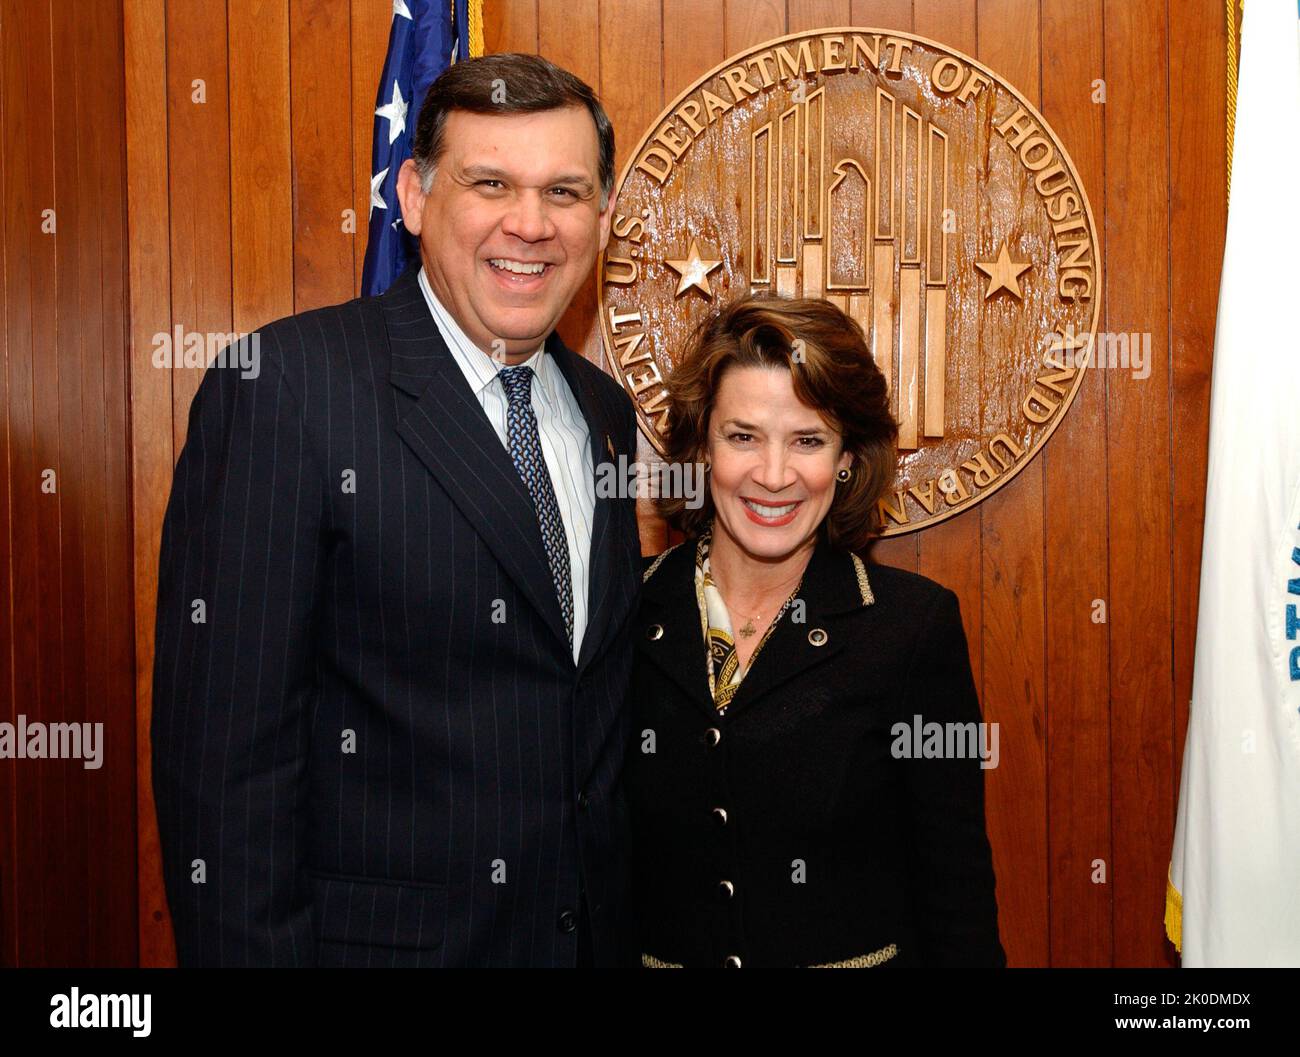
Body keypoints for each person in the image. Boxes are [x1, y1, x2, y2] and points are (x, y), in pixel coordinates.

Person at [151, 53, 642, 967]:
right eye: (489, 182)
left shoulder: (603, 417)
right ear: (413, 196)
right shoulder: (288, 391)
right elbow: (225, 772)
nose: (528, 224)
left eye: (565, 192)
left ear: (604, 218)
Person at [625, 294, 1006, 967]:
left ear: (848, 459)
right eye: (743, 436)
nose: (774, 476)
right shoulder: (621, 613)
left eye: (808, 439)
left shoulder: (913, 628)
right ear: (699, 445)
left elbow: (958, 897)